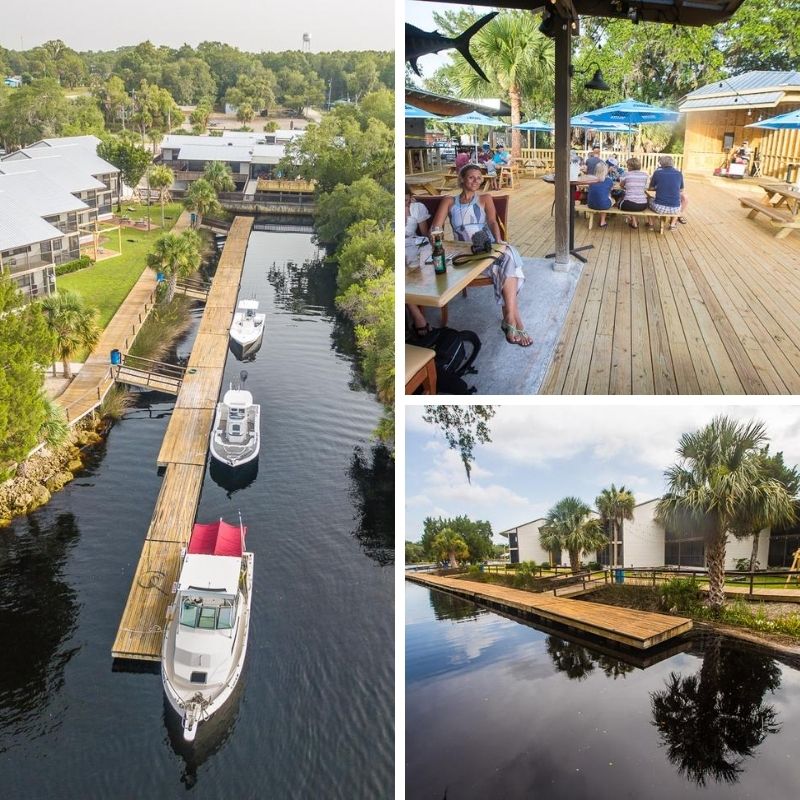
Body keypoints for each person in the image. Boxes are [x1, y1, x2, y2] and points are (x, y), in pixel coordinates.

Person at [429, 164, 531, 347]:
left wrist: (499, 240)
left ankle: (510, 317)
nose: (476, 181)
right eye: (471, 177)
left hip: (486, 246)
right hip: (464, 250)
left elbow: (492, 221)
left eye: (479, 177)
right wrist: (438, 241)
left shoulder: (485, 198)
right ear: (461, 179)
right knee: (509, 265)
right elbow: (436, 227)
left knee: (507, 256)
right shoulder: (449, 201)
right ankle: (515, 321)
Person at [405, 186, 432, 336]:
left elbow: (425, 233)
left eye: (406, 200)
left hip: (413, 242)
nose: (404, 203)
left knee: (418, 260)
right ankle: (416, 315)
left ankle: (420, 296)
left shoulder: (417, 208)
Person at [648, 155, 687, 230]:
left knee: (647, 200)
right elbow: (681, 189)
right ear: (672, 163)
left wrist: (659, 187)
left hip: (660, 208)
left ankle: (651, 224)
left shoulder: (657, 173)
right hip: (675, 209)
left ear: (661, 163)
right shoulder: (679, 173)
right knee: (679, 203)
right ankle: (672, 225)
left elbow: (651, 188)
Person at [617, 156, 650, 229]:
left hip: (629, 204)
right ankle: (634, 221)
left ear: (630, 166)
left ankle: (632, 219)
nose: (627, 167)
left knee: (618, 202)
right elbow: (646, 187)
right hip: (643, 204)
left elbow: (621, 185)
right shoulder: (645, 175)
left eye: (627, 165)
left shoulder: (627, 174)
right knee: (633, 202)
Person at [586, 162, 614, 228]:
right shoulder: (609, 180)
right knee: (608, 198)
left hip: (590, 204)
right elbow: (610, 191)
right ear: (606, 170)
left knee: (602, 197)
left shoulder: (591, 179)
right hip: (603, 205)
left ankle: (602, 219)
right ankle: (602, 221)